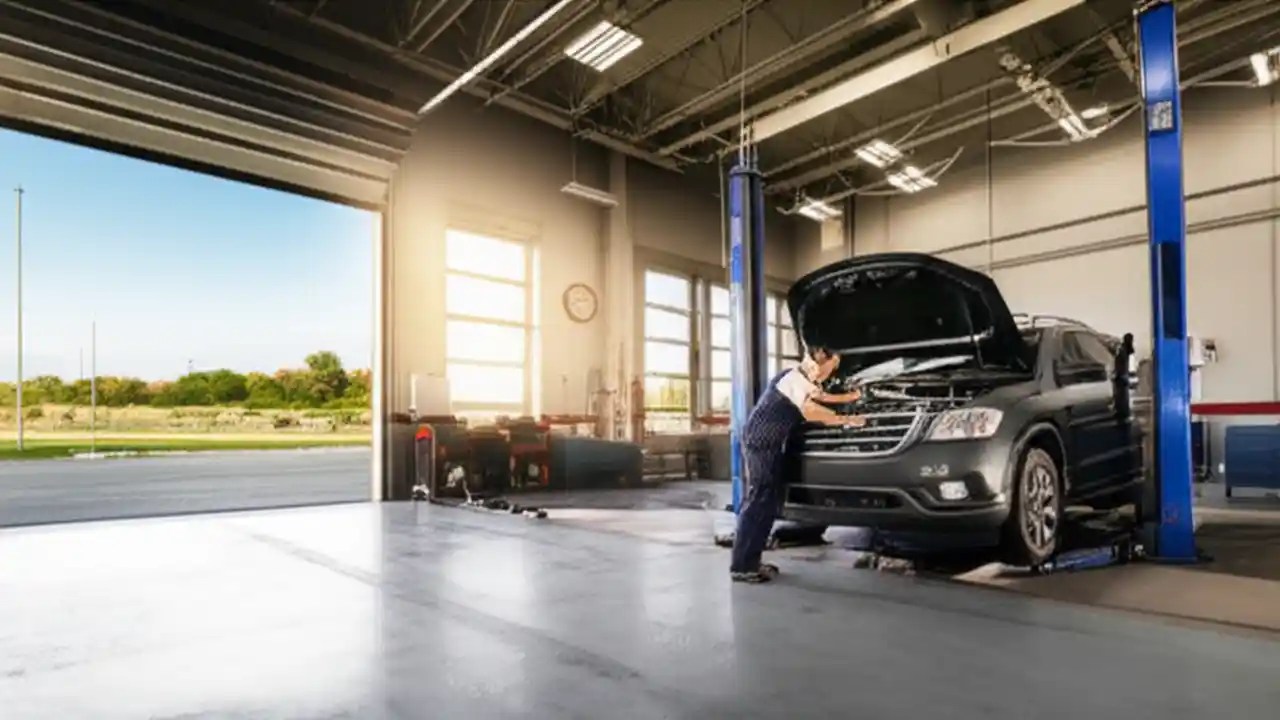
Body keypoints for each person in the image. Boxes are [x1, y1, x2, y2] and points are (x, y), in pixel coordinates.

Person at [730, 346, 865, 583]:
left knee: (766, 501)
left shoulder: (799, 379)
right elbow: (812, 410)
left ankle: (750, 560)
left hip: (767, 441)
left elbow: (821, 396)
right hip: (762, 441)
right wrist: (847, 420)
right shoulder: (793, 378)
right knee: (760, 500)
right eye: (830, 368)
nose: (829, 376)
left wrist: (851, 397)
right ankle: (743, 566)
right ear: (818, 362)